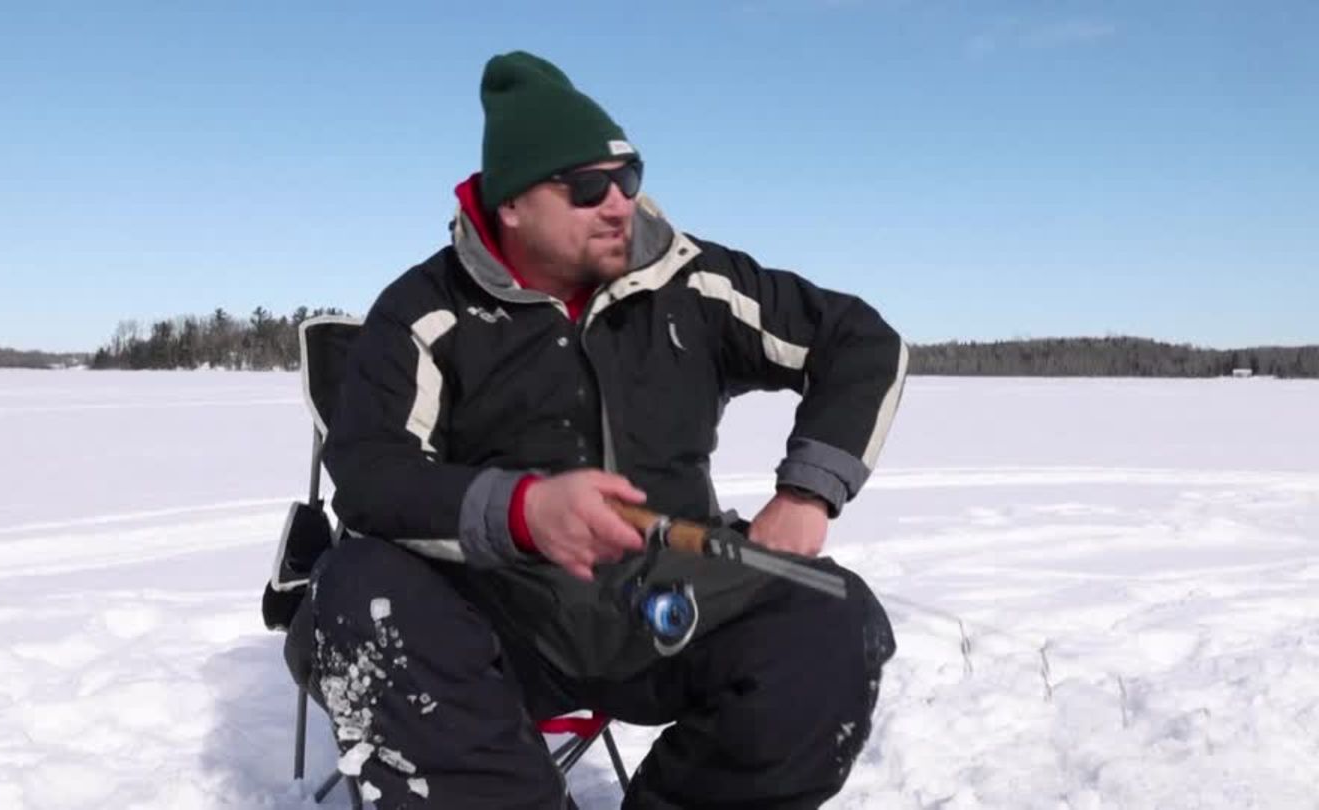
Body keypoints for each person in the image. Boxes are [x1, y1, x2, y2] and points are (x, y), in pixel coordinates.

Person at [308, 50, 907, 809]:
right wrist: (524, 511)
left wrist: (808, 494)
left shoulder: (693, 283)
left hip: (666, 598)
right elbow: (369, 473)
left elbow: (859, 341)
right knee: (359, 592)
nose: (619, 203)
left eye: (629, 178)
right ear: (513, 203)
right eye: (588, 187)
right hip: (497, 615)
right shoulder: (428, 310)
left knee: (830, 619)